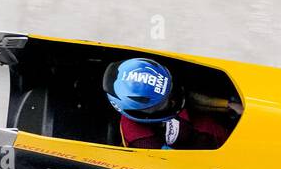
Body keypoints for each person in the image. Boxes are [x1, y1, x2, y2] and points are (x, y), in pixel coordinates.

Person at [102, 57, 239, 150]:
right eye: (162, 104)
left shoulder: (168, 97)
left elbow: (189, 99)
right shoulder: (143, 140)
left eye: (171, 92)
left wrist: (228, 105)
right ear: (142, 113)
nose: (173, 101)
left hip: (208, 129)